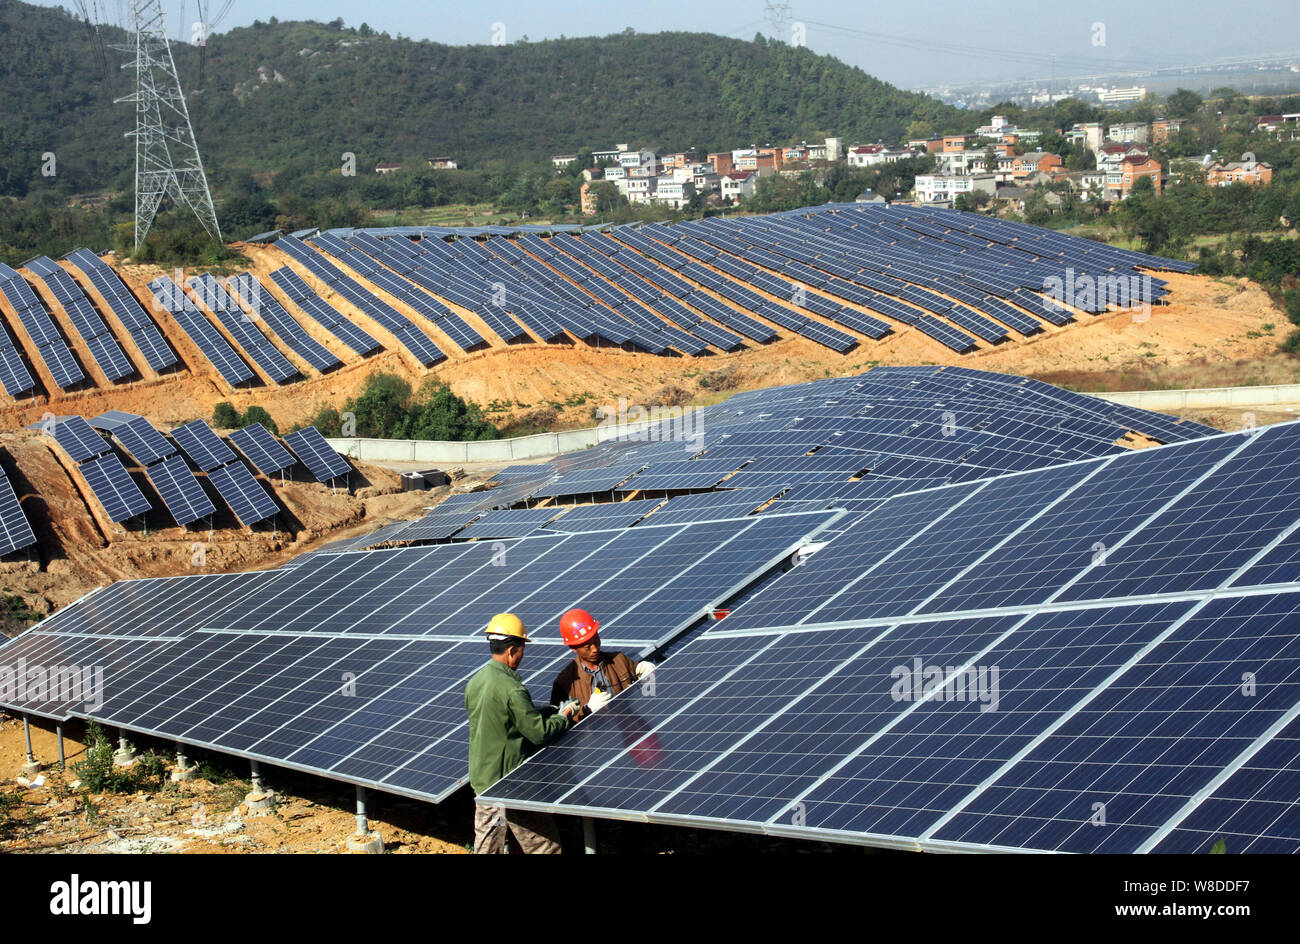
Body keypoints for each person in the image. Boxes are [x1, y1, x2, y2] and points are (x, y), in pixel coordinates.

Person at [465, 612, 578, 854]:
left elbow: (497, 718)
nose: (522, 655)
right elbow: (539, 733)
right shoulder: (513, 689)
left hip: (484, 779)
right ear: (512, 650)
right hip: (512, 783)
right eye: (522, 649)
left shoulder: (476, 680)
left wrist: (538, 710)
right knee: (544, 846)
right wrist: (563, 717)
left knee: (488, 845)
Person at [550, 608, 655, 714]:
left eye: (596, 641)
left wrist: (646, 670)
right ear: (573, 648)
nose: (595, 649)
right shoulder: (565, 683)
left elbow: (650, 693)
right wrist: (586, 710)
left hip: (631, 726)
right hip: (596, 730)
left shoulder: (619, 660)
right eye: (588, 647)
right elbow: (561, 722)